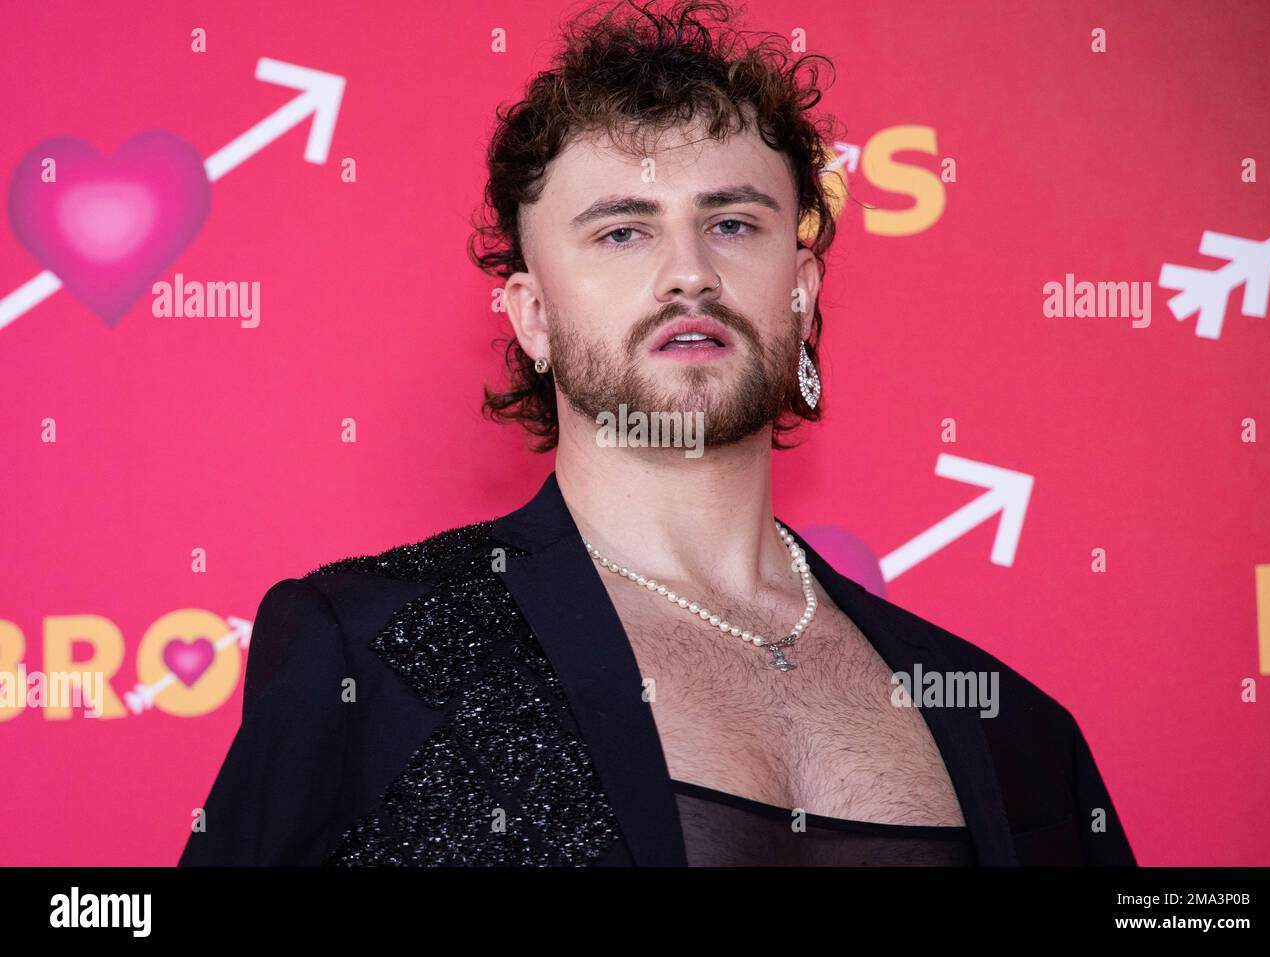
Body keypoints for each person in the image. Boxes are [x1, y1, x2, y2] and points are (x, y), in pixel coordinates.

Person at [179, 0, 1136, 867]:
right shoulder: (372, 648)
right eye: (622, 231)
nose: (689, 272)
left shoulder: (1012, 724)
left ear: (801, 292)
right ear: (532, 316)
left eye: (731, 223)